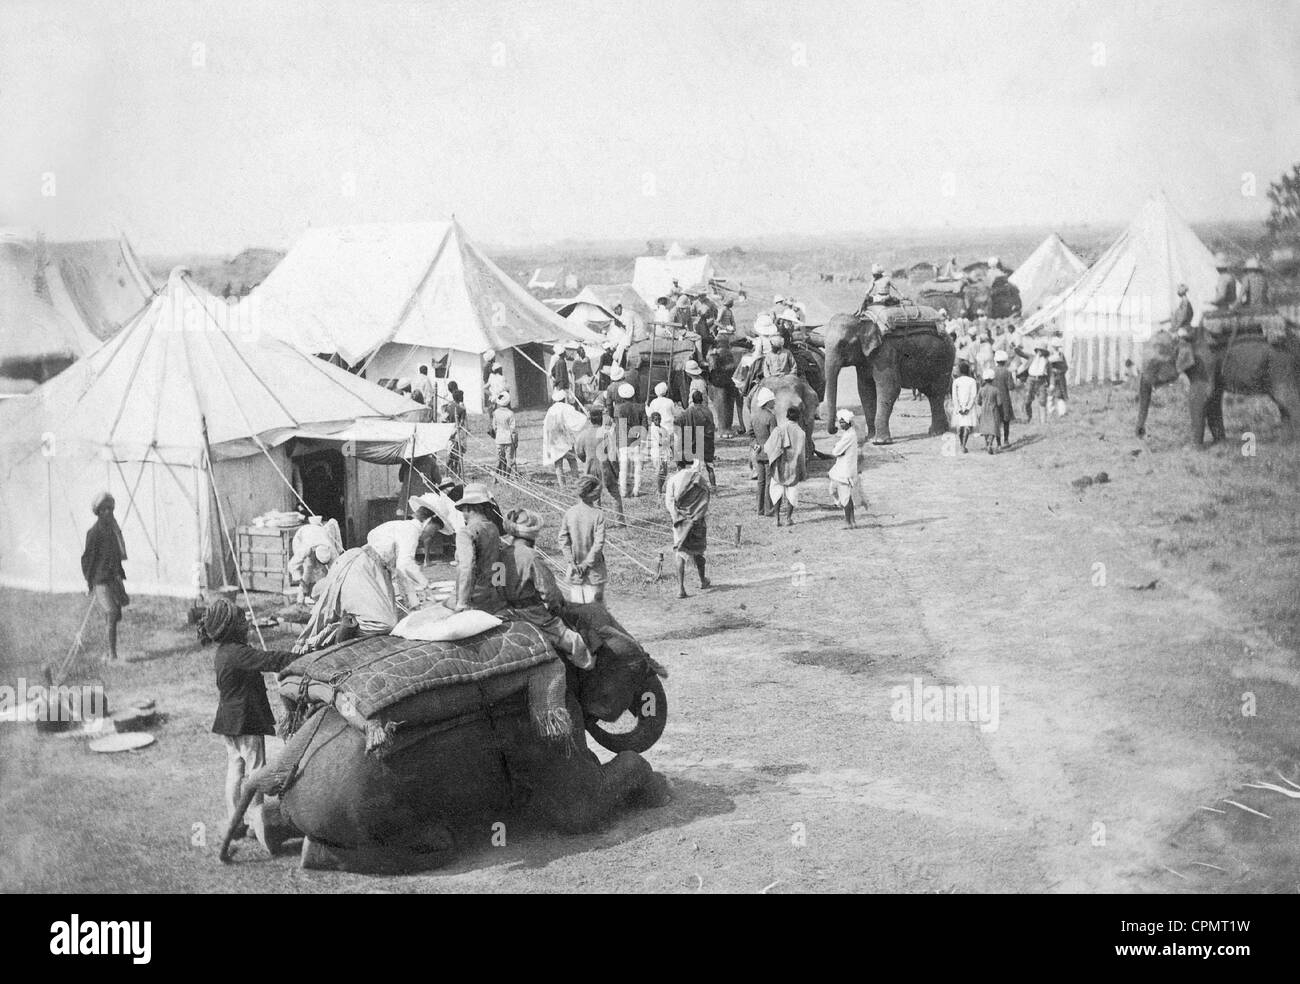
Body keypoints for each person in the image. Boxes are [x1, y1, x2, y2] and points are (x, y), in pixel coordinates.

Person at [203, 598, 298, 848]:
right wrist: (299, 658)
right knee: (256, 772)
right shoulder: (238, 653)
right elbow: (270, 660)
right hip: (246, 721)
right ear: (232, 627)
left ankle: (234, 821)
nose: (247, 625)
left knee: (235, 771)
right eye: (242, 622)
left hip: (228, 722)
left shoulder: (224, 652)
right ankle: (259, 823)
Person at [497, 509, 592, 667]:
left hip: (508, 612)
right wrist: (557, 607)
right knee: (575, 641)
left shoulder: (499, 556)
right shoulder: (532, 557)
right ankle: (587, 669)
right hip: (532, 614)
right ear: (533, 534)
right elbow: (549, 592)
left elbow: (497, 585)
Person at [81, 492, 129, 662]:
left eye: (110, 508)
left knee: (115, 616)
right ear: (98, 512)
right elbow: (87, 559)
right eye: (104, 509)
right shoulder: (93, 533)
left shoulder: (114, 531)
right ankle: (112, 654)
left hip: (113, 579)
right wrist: (90, 582)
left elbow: (117, 555)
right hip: (100, 581)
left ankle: (110, 652)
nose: (108, 512)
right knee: (111, 611)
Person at [447, 483, 505, 613]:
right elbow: (499, 563)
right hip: (492, 594)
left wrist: (462, 602)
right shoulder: (493, 528)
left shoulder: (466, 532)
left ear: (467, 508)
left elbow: (467, 567)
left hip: (474, 597)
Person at [367, 508, 435, 608]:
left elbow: (402, 567)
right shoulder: (411, 530)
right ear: (427, 522)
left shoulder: (405, 526)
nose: (432, 534)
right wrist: (424, 583)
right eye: (434, 529)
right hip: (374, 561)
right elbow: (405, 563)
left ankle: (412, 605)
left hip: (379, 561)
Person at [664, 460, 711, 599]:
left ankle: (680, 589)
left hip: (680, 521)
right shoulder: (698, 478)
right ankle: (703, 580)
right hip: (697, 519)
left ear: (677, 465)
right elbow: (706, 497)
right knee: (699, 550)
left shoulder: (672, 479)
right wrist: (697, 514)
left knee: (680, 552)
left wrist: (678, 518)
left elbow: (669, 503)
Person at [559, 474, 608, 603]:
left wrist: (571, 562)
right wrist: (587, 564)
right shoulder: (598, 514)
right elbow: (599, 543)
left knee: (578, 605)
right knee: (596, 608)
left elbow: (563, 539)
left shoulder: (570, 512)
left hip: (575, 570)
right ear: (594, 494)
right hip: (594, 570)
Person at [575, 407, 626, 525]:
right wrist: (616, 470)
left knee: (594, 496)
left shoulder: (583, 434)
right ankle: (620, 521)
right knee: (615, 494)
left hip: (590, 469)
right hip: (606, 468)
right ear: (601, 419)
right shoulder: (606, 434)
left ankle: (597, 523)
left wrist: (587, 460)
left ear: (589, 419)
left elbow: (579, 452)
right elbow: (613, 455)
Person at [764, 405, 807, 527]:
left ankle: (776, 518)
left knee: (776, 490)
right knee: (792, 492)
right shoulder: (801, 433)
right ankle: (788, 518)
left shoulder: (779, 429)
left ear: (787, 416)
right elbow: (802, 454)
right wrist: (802, 470)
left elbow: (768, 447)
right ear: (799, 417)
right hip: (793, 466)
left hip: (779, 465)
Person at [287, 516, 342, 603]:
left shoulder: (331, 551)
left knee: (324, 573)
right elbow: (292, 565)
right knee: (308, 567)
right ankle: (301, 595)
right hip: (302, 536)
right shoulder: (305, 549)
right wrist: (299, 579)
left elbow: (336, 569)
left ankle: (321, 594)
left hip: (319, 535)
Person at [827, 409, 864, 528]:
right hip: (843, 468)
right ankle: (852, 521)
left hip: (845, 470)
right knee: (839, 493)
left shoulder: (849, 435)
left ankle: (848, 522)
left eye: (843, 422)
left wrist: (837, 448)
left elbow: (836, 451)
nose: (841, 424)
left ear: (849, 422)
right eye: (840, 422)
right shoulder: (849, 433)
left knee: (844, 496)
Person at [541, 389, 584, 487]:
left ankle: (562, 485)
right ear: (564, 399)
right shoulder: (567, 408)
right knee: (572, 461)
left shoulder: (550, 410)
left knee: (558, 463)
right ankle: (576, 482)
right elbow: (576, 420)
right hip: (565, 439)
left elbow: (546, 426)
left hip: (554, 440)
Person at [612, 381, 647, 496]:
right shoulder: (641, 407)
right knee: (637, 467)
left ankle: (623, 491)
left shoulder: (619, 409)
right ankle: (636, 490)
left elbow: (620, 427)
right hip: (636, 441)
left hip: (623, 441)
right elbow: (645, 425)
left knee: (623, 468)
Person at [749, 387, 778, 516]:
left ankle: (759, 508)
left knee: (760, 481)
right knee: (769, 481)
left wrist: (755, 445)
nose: (774, 403)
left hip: (758, 452)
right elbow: (774, 437)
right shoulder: (771, 417)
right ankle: (768, 508)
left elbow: (750, 434)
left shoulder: (754, 416)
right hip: (768, 453)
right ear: (768, 402)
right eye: (772, 400)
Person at [681, 389, 717, 488]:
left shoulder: (690, 411)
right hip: (708, 441)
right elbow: (712, 426)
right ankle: (713, 486)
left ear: (692, 400)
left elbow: (679, 420)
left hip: (695, 442)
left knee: (694, 468)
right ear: (702, 399)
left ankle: (694, 487)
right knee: (710, 466)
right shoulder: (708, 411)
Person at [488, 390, 518, 478]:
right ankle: (507, 476)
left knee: (499, 459)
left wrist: (498, 433)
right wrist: (515, 441)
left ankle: (495, 477)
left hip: (499, 439)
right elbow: (513, 429)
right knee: (510, 460)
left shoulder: (495, 413)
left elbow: (494, 426)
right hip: (508, 439)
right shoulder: (510, 413)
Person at [951, 361, 978, 453]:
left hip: (959, 405)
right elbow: (973, 395)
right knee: (967, 426)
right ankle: (963, 445)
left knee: (960, 426)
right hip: (968, 406)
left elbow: (954, 396)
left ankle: (961, 444)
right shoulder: (972, 381)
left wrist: (958, 408)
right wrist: (968, 408)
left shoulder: (956, 382)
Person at [646, 410, 676, 492]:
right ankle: (659, 490)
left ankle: (660, 488)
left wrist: (667, 443)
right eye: (656, 419)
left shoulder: (663, 429)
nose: (658, 420)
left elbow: (669, 441)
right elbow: (660, 441)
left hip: (664, 452)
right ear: (652, 420)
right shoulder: (653, 429)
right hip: (657, 453)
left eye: (659, 419)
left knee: (665, 472)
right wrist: (665, 440)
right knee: (660, 471)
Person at [992, 349, 1016, 448]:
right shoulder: (1007, 372)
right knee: (1006, 420)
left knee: (996, 421)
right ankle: (1006, 440)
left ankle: (998, 443)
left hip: (994, 399)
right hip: (1005, 398)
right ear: (1005, 361)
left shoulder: (992, 371)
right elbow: (1011, 387)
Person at [1022, 342, 1050, 422]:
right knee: (1027, 399)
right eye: (1038, 350)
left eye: (1042, 350)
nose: (1040, 352)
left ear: (1045, 352)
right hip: (1030, 380)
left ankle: (1043, 421)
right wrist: (1016, 347)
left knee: (1042, 400)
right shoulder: (1032, 357)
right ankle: (1028, 417)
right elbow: (1021, 353)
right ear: (1036, 351)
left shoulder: (1047, 361)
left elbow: (1050, 374)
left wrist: (1051, 384)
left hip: (1041, 381)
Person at [977, 367, 1001, 454]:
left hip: (984, 410)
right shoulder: (996, 390)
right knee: (993, 427)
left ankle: (987, 443)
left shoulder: (981, 390)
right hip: (993, 410)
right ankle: (990, 443)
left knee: (986, 428)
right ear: (993, 379)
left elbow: (978, 402)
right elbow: (999, 403)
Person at [1047, 345, 1069, 416]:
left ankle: (1062, 412)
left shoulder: (1060, 354)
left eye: (1056, 347)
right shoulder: (1048, 355)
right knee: (1050, 394)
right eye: (1054, 347)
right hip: (1051, 377)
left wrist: (1060, 371)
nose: (1055, 348)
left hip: (1059, 377)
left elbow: (1065, 367)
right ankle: (1051, 411)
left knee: (1060, 395)